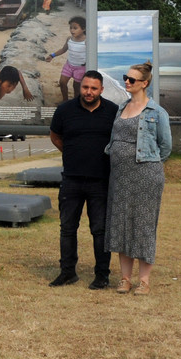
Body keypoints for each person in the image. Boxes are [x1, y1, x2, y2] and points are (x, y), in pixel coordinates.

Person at [105, 62, 172, 295]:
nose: (127, 82)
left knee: (143, 225)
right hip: (120, 177)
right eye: (125, 77)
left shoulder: (157, 112)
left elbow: (166, 147)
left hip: (146, 175)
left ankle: (144, 281)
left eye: (132, 80)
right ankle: (125, 279)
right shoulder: (121, 107)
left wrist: (147, 164)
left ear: (144, 83)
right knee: (121, 224)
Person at [47, 71, 118, 289]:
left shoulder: (113, 112)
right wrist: (71, 153)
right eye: (85, 87)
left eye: (93, 88)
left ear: (101, 90)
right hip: (72, 179)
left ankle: (102, 275)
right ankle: (67, 272)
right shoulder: (64, 110)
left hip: (101, 181)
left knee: (100, 230)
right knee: (67, 228)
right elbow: (55, 136)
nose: (88, 92)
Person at [46, 15, 89, 102]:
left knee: (76, 87)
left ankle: (75, 102)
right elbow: (63, 49)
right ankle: (65, 100)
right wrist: (52, 55)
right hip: (69, 65)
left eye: (75, 28)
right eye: (71, 28)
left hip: (81, 68)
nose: (72, 30)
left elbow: (91, 54)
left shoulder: (87, 41)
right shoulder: (69, 39)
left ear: (83, 29)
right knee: (62, 82)